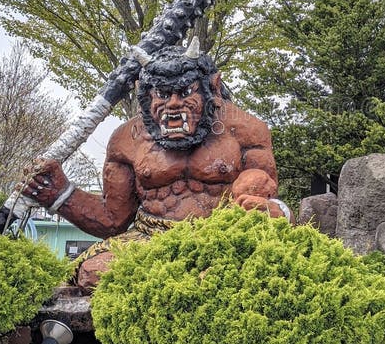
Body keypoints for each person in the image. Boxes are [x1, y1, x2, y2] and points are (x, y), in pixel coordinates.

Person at [23, 40, 287, 290]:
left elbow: (269, 201)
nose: (173, 104)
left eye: (185, 92)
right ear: (145, 94)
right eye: (162, 94)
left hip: (221, 241)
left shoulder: (245, 131)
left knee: (243, 272)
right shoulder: (126, 140)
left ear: (213, 88)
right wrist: (59, 194)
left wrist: (274, 211)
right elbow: (112, 221)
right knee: (95, 271)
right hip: (149, 239)